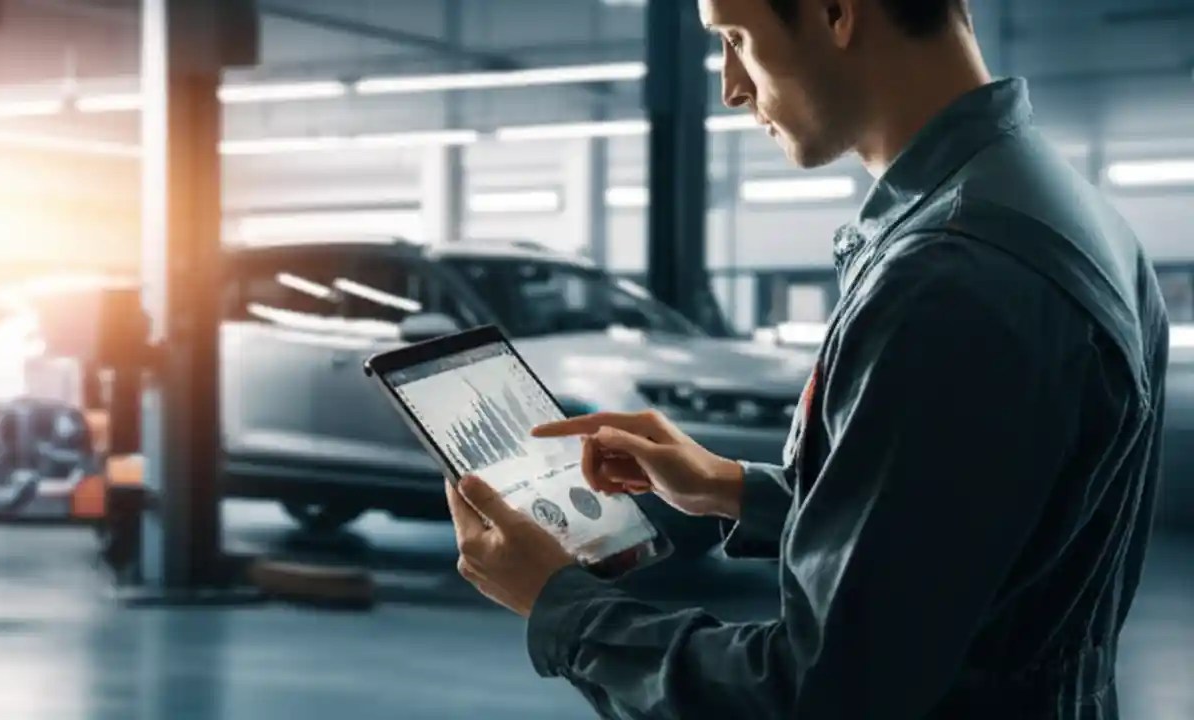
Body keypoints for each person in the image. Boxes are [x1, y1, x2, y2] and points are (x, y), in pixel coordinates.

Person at [442, 0, 1170, 717]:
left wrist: (562, 607)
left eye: (735, 37)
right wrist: (734, 489)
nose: (731, 85)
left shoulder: (948, 278)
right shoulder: (1066, 213)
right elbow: (964, 537)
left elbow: (816, 694)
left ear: (835, 12)